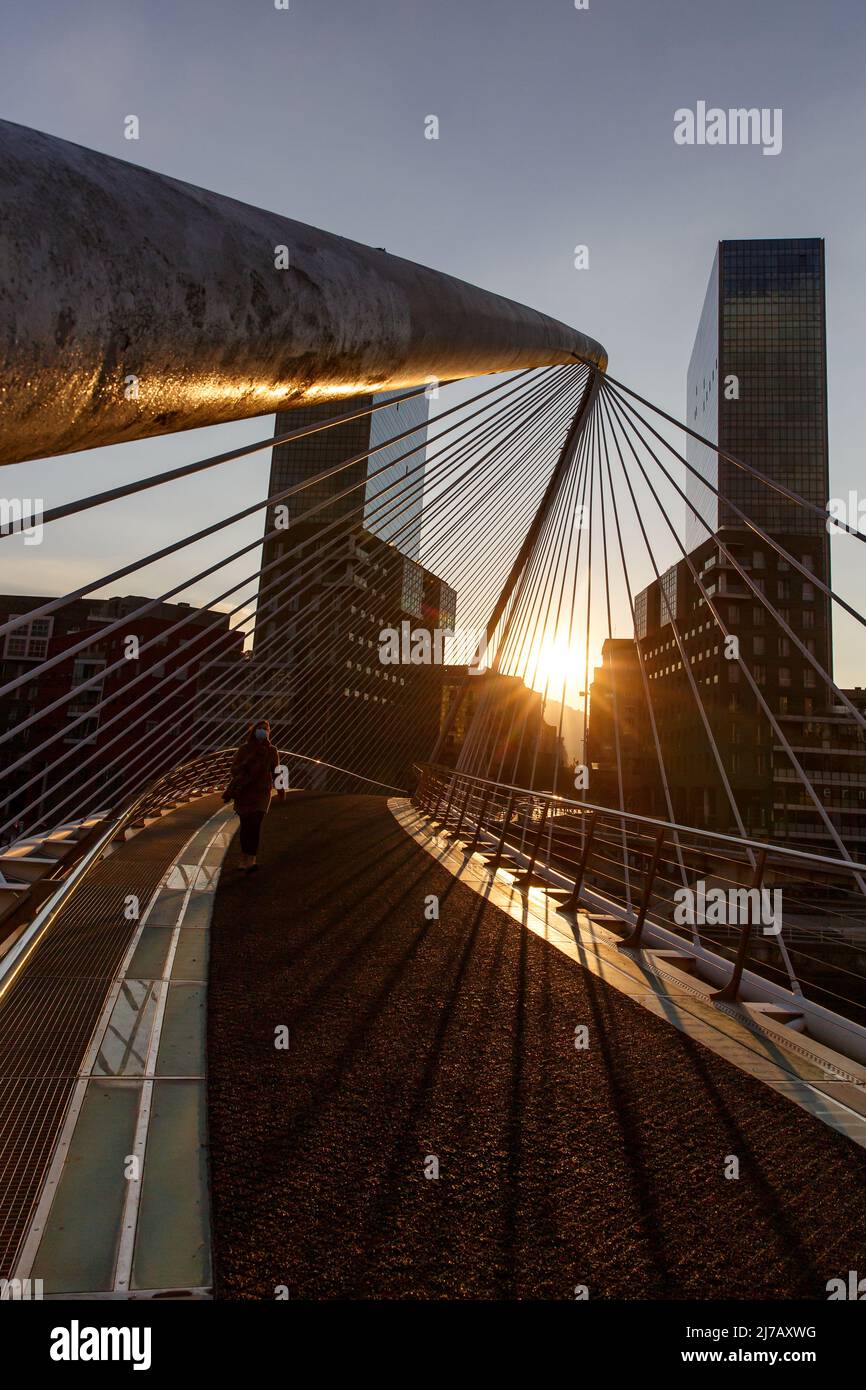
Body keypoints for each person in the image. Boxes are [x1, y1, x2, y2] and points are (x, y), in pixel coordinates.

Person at [222, 720, 285, 874]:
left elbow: (276, 771)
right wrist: (246, 763)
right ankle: (243, 858)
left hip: (262, 793)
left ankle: (251, 859)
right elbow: (233, 770)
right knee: (246, 826)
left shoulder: (272, 750)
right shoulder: (244, 749)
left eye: (266, 729)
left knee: (255, 825)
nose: (263, 731)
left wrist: (281, 790)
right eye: (260, 729)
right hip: (245, 792)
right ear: (254, 731)